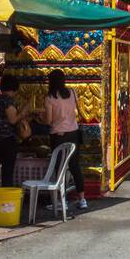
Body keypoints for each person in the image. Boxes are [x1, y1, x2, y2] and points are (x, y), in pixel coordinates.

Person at [44, 69, 86, 211]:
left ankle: (62, 201)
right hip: (73, 133)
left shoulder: (50, 98)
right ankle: (82, 199)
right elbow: (79, 111)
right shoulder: (73, 93)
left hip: (58, 135)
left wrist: (42, 117)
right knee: (75, 166)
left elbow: (49, 120)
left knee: (60, 168)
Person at [0, 74, 22, 187]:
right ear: (15, 88)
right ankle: (6, 196)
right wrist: (24, 113)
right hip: (7, 140)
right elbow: (13, 120)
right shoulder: (8, 101)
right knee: (7, 172)